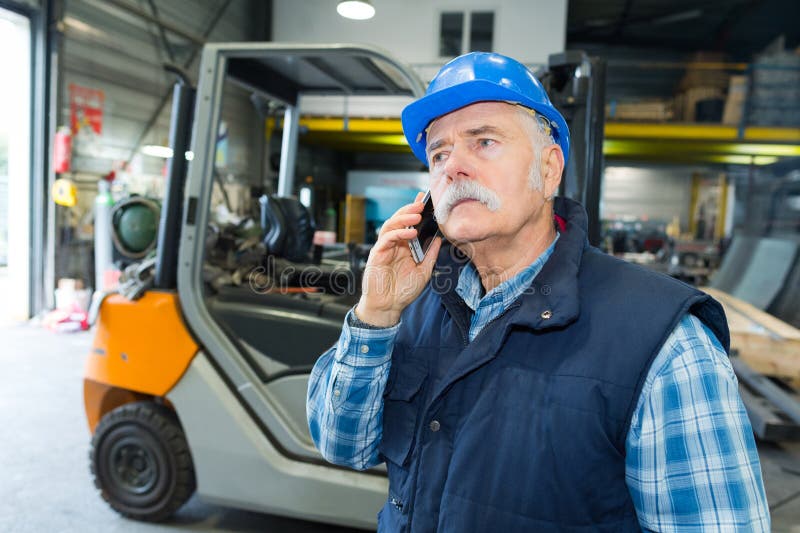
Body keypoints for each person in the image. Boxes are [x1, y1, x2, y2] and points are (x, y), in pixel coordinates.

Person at [307, 52, 770, 532]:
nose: (453, 167)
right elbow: (345, 447)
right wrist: (375, 314)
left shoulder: (664, 345)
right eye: (439, 153)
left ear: (550, 170)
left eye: (483, 141)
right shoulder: (415, 305)